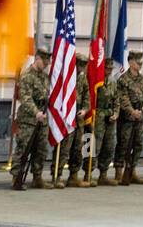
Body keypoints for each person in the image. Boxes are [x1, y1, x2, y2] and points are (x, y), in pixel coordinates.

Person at [10, 49, 51, 190]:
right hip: (29, 119)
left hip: (42, 119)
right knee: (23, 149)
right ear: (37, 58)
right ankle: (17, 177)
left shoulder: (45, 77)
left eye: (48, 62)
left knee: (41, 150)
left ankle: (37, 177)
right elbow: (25, 98)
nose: (46, 64)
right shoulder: (27, 76)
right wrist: (36, 112)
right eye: (44, 61)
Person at [55, 55, 93, 188]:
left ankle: (73, 176)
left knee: (78, 148)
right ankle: (57, 175)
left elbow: (86, 96)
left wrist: (85, 109)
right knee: (65, 148)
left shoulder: (82, 78)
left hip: (79, 118)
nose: (82, 67)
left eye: (84, 65)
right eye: (80, 64)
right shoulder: (66, 76)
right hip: (66, 118)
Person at [115, 51, 143, 185]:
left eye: (140, 61)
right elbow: (122, 97)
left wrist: (138, 112)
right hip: (126, 117)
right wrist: (131, 111)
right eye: (136, 61)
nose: (139, 64)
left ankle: (132, 171)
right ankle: (119, 172)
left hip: (139, 115)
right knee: (123, 144)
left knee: (138, 144)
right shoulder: (123, 79)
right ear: (130, 62)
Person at [93, 60, 120, 185]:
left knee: (109, 146)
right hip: (98, 117)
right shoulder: (95, 81)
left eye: (110, 69)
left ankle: (103, 174)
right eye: (107, 68)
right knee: (95, 146)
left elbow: (116, 100)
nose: (109, 71)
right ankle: (88, 173)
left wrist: (115, 113)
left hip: (110, 118)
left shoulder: (113, 82)